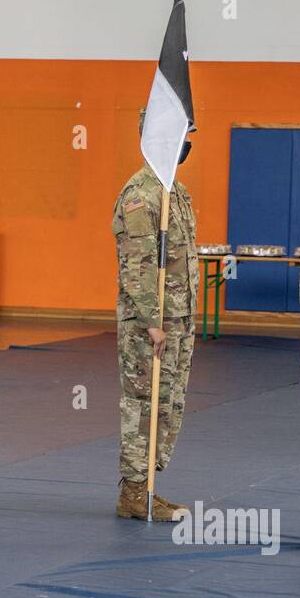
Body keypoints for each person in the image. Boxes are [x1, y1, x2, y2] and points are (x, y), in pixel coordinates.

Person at [112, 109, 199, 521]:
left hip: (177, 319)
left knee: (168, 403)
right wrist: (152, 320)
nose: (188, 143)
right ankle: (133, 491)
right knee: (144, 404)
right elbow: (138, 265)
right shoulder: (141, 194)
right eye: (183, 135)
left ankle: (148, 485)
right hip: (152, 324)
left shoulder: (174, 192)